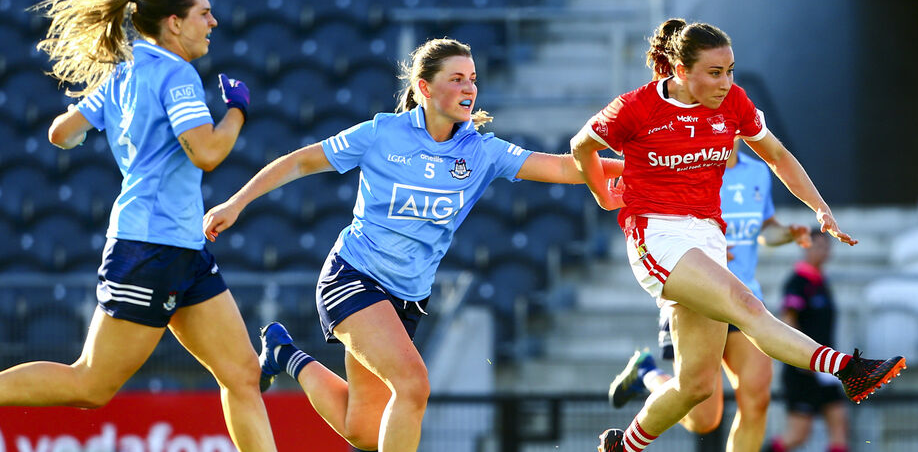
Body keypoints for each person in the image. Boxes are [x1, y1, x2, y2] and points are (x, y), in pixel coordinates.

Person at [202, 38, 624, 452]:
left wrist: (640, 170)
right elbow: (300, 161)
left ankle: (284, 355)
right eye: (456, 79)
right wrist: (236, 203)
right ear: (424, 87)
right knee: (413, 385)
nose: (469, 88)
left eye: (473, 79)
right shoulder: (383, 132)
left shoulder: (482, 150)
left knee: (364, 432)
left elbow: (565, 168)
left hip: (408, 298)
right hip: (352, 278)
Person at [570, 19, 905, 452]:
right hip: (657, 236)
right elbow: (581, 146)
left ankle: (623, 447)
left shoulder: (734, 103)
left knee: (695, 389)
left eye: (730, 71)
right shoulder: (636, 107)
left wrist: (820, 207)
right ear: (680, 71)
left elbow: (778, 156)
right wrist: (602, 194)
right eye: (714, 73)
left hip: (708, 235)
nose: (726, 82)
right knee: (748, 306)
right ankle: (847, 369)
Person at [0, 0, 275, 451]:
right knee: (90, 385)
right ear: (174, 22)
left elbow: (61, 133)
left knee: (243, 375)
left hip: (182, 246)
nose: (213, 22)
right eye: (204, 13)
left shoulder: (123, 71)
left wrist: (106, 133)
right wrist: (236, 110)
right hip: (150, 248)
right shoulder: (176, 73)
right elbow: (207, 152)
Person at [608, 142, 813, 452]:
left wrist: (787, 233)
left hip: (744, 301)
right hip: (694, 300)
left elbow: (763, 229)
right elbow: (664, 230)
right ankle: (647, 373)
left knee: (757, 400)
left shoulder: (758, 171)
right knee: (703, 418)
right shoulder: (685, 166)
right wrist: (707, 251)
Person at [763, 229, 850, 452]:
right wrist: (802, 355)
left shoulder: (822, 282)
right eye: (817, 246)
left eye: (826, 247)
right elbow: (788, 320)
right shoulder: (798, 282)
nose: (822, 251)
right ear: (805, 248)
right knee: (798, 434)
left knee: (839, 424)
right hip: (803, 368)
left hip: (826, 367)